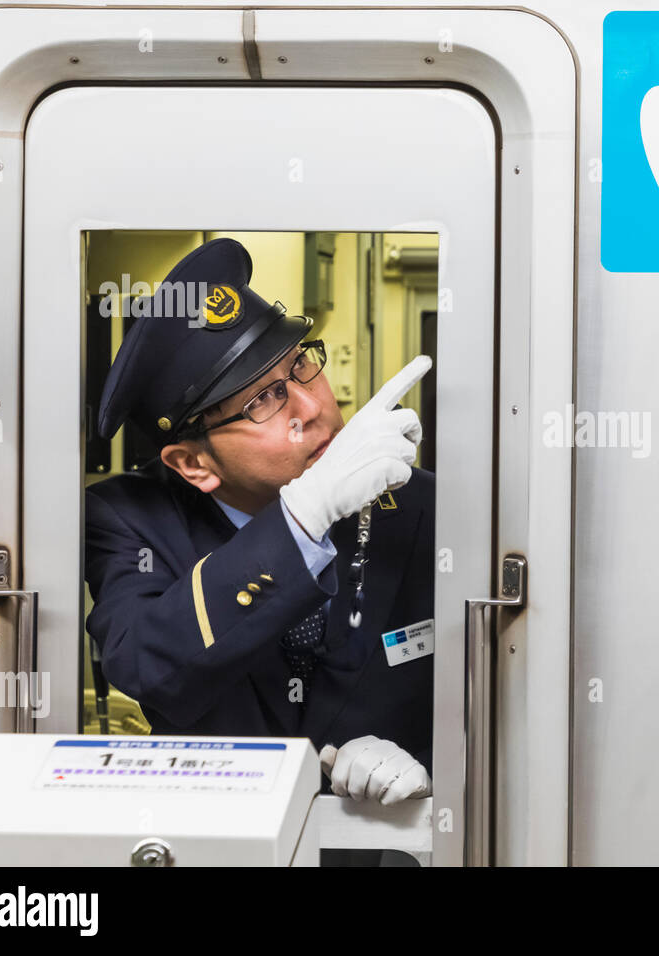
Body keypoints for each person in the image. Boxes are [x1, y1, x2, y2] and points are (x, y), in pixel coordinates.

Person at [85, 237, 434, 808]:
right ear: (193, 464)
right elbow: (149, 663)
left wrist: (434, 768)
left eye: (301, 365)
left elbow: (501, 695)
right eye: (266, 400)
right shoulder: (130, 518)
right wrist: (303, 514)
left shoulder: (424, 507)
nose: (312, 406)